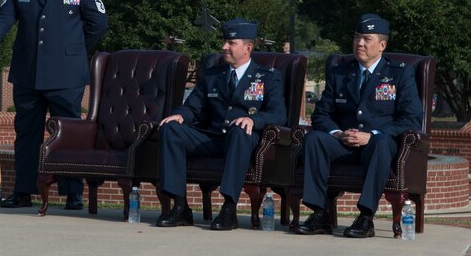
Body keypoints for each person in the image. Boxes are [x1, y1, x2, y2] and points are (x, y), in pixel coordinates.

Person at [0, 0, 108, 210]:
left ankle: (72, 192)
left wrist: (72, 50)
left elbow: (98, 23)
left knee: (68, 135)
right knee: (27, 135)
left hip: (66, 76)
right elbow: (5, 15)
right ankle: (23, 191)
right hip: (27, 74)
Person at [296, 13, 422, 238]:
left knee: (382, 142)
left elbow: (411, 119)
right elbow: (321, 115)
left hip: (376, 146)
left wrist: (372, 135)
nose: (359, 43)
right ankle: (319, 213)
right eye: (356, 38)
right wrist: (337, 133)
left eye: (366, 39)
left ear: (382, 45)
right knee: (314, 138)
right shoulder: (341, 72)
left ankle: (365, 217)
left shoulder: (399, 73)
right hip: (343, 143)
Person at [156, 19, 285, 230]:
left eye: (231, 43)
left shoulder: (268, 77)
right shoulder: (212, 75)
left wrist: (254, 119)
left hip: (243, 139)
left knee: (240, 129)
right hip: (214, 137)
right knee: (171, 129)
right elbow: (193, 108)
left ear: (248, 48)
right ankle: (180, 207)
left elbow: (278, 113)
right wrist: (180, 116)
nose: (224, 47)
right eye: (225, 41)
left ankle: (228, 209)